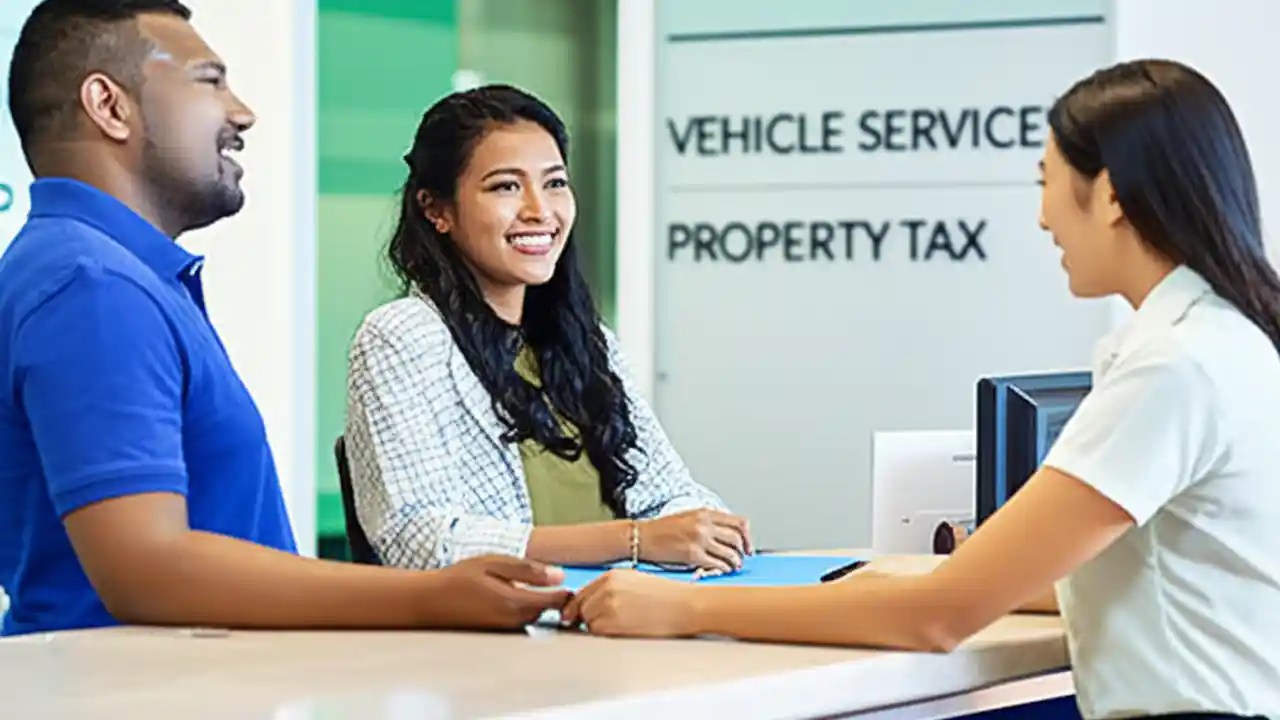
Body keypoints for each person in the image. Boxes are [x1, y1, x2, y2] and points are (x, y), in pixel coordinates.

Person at [562, 59, 1280, 720]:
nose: (1041, 216)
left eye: (1046, 183)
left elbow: (937, 620)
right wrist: (905, 582)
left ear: (1113, 196)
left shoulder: (1173, 364)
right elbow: (1119, 571)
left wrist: (684, 609)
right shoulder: (1227, 339)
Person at [0, 0, 569, 638]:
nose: (242, 111)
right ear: (110, 106)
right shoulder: (92, 286)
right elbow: (146, 568)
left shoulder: (101, 275)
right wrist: (428, 596)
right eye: (209, 81)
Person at [344, 84, 751, 573]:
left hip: (624, 617)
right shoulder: (402, 336)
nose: (540, 210)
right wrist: (635, 540)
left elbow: (670, 492)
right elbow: (422, 541)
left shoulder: (583, 339)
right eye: (505, 186)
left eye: (555, 182)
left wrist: (703, 530)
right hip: (509, 636)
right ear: (437, 210)